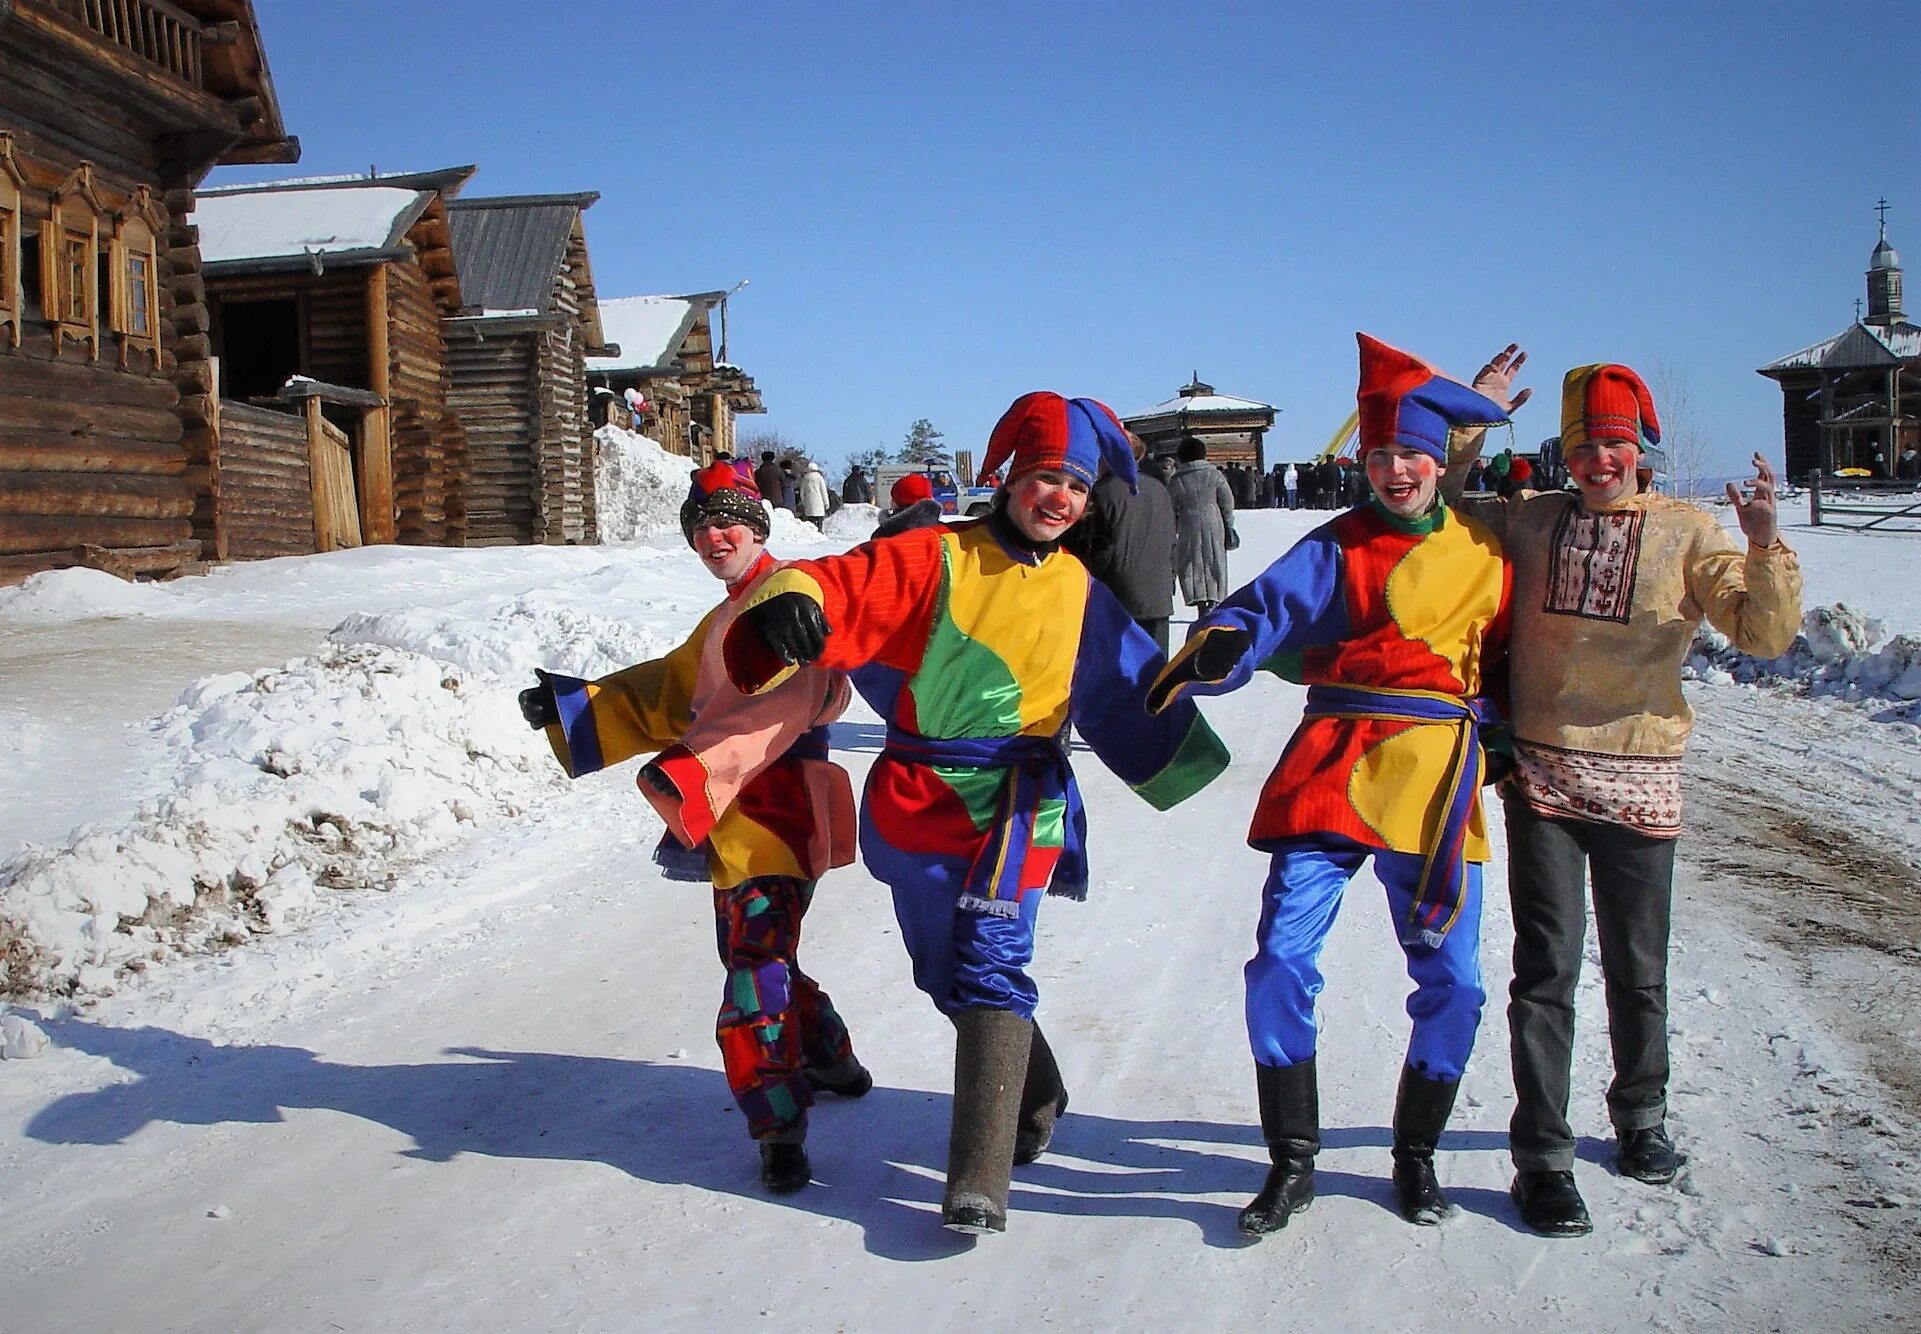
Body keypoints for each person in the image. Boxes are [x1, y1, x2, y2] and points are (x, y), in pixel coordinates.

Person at [720, 391, 1229, 1236]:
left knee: (994, 963)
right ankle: (1033, 1089)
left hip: (1020, 802)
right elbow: (837, 580)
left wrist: (1201, 674)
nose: (1057, 497)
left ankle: (976, 1181)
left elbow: (1131, 687)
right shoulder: (933, 555)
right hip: (918, 802)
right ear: (1008, 481)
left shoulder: (1081, 591)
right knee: (943, 975)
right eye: (1041, 478)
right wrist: (788, 598)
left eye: (1073, 483)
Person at [1147, 333, 1513, 1237]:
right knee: (1279, 960)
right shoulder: (1335, 546)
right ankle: (1292, 1160)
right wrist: (1222, 645)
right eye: (1379, 454)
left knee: (1456, 982)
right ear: (1362, 460)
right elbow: (1258, 612)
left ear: (1438, 462)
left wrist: (1501, 738)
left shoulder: (1487, 553)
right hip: (1335, 766)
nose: (1394, 470)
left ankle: (1416, 1156)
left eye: (1411, 454)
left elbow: (1506, 665)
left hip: (1434, 782)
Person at [1443, 351, 1804, 1238]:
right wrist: (1469, 420)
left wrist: (1761, 543)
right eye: (1579, 446)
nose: (1596, 462)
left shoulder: (1688, 531)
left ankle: (1640, 1118)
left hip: (1642, 771)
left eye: (1612, 444)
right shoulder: (1528, 523)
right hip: (1541, 774)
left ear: (1641, 447)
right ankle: (1544, 1158)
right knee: (1546, 972)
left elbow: (1761, 634)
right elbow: (1444, 505)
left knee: (1638, 971)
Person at [516, 464, 870, 1196]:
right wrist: (572, 709)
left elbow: (784, 697)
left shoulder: (787, 596)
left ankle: (777, 1128)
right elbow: (669, 689)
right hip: (729, 814)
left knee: (751, 967)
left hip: (778, 814)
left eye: (727, 522)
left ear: (759, 527)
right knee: (754, 953)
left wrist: (691, 771)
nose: (714, 536)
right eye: (700, 527)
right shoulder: (726, 614)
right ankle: (829, 1055)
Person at [1062, 428, 1178, 653]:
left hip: (1116, 599)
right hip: (1158, 596)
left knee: (1116, 673)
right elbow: (1172, 543)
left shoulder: (1102, 492)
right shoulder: (1159, 489)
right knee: (1153, 672)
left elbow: (1097, 549)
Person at [1167, 436, 1238, 615]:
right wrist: (1228, 521)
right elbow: (1227, 500)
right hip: (1214, 523)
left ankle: (1199, 601)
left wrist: (1173, 526)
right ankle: (1215, 599)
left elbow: (1170, 506)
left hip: (1187, 523)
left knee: (1192, 562)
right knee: (1214, 559)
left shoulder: (1177, 479)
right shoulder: (1214, 474)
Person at [875, 471, 944, 538]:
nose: (890, 502)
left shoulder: (883, 535)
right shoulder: (944, 532)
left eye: (893, 498)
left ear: (897, 502)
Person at [797, 460, 830, 528]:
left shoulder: (805, 478)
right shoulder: (820, 478)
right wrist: (826, 503)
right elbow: (823, 491)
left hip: (809, 503)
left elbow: (802, 492)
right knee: (819, 518)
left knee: (810, 520)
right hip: (819, 503)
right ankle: (820, 530)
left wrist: (803, 502)